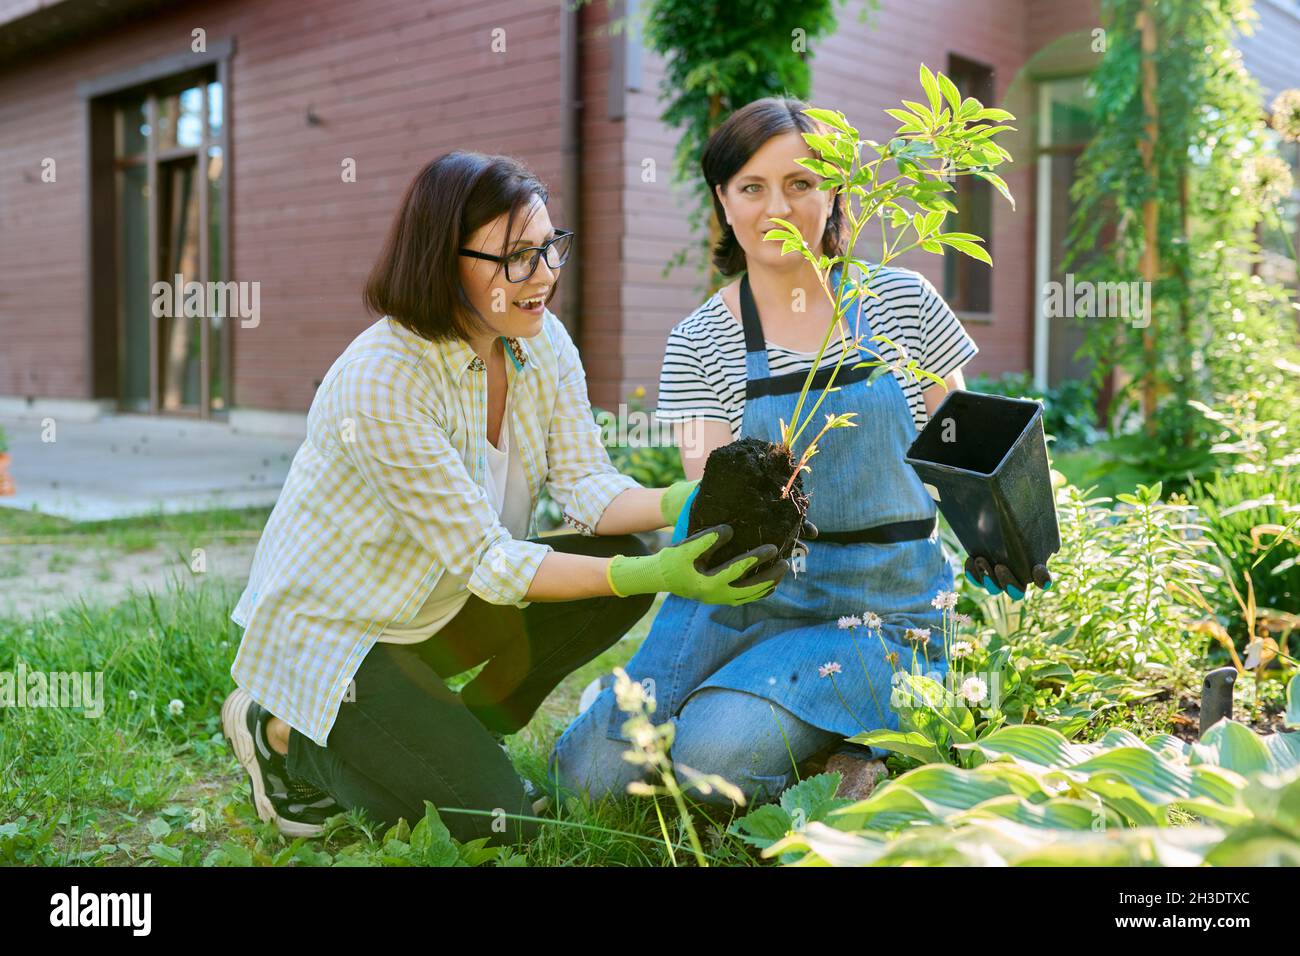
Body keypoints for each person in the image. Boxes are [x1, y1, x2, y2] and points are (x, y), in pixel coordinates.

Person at [220, 151, 788, 847]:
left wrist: (688, 498)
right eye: (518, 257)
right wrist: (657, 574)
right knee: (504, 824)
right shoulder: (382, 381)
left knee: (619, 559)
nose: (546, 272)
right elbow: (490, 561)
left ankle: (446, 736)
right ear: (442, 259)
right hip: (343, 638)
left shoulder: (538, 339)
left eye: (551, 246)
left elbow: (586, 484)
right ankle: (278, 731)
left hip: (435, 607)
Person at [549, 97, 1051, 808]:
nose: (776, 206)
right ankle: (693, 701)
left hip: (885, 608)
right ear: (723, 202)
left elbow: (964, 451)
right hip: (753, 594)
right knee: (588, 781)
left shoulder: (901, 300)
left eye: (801, 183)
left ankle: (840, 746)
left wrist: (1004, 530)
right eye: (751, 187)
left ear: (835, 190)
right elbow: (723, 517)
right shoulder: (699, 343)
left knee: (707, 760)